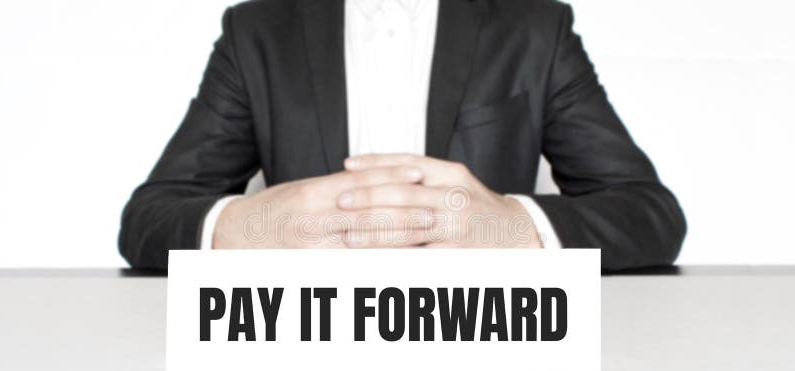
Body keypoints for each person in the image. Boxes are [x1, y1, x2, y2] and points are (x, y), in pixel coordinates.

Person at [119, 0, 686, 271]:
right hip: (304, 363)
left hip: (490, 362)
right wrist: (247, 225)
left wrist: (512, 226)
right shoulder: (258, 32)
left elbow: (651, 215)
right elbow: (147, 218)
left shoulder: (534, 28)